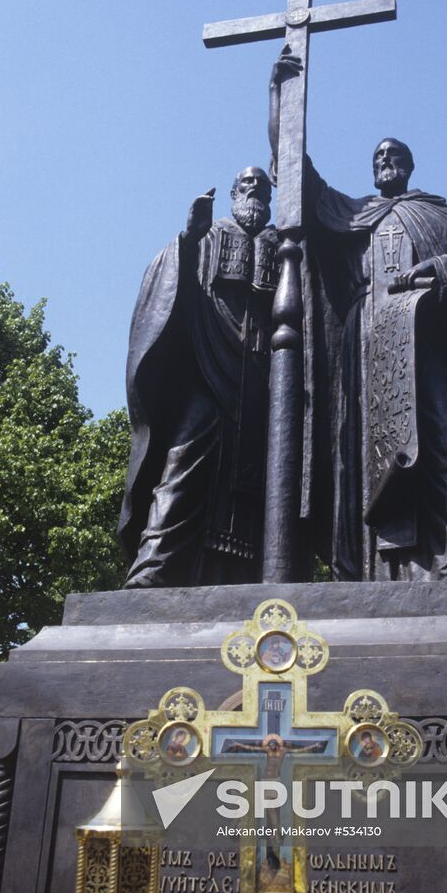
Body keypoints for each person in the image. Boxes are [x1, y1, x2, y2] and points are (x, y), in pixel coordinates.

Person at [269, 54, 447, 588]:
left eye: (394, 154)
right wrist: (282, 105)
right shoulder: (355, 213)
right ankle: (368, 575)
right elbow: (299, 184)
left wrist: (440, 270)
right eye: (378, 155)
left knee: (446, 438)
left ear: (409, 165)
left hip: (431, 341)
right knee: (365, 457)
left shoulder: (439, 216)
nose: (385, 159)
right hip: (368, 348)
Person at [118, 167, 280, 587]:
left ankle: (243, 579)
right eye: (247, 185)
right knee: (183, 464)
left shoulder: (282, 246)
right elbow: (168, 287)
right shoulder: (207, 237)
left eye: (263, 187)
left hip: (263, 382)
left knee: (254, 490)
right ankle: (153, 566)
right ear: (232, 193)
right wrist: (188, 238)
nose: (256, 192)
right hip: (209, 368)